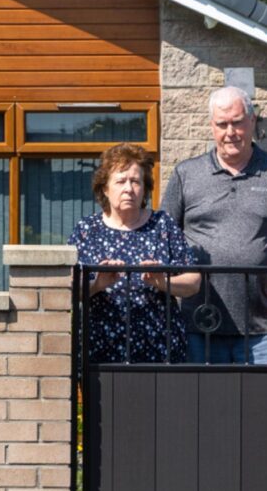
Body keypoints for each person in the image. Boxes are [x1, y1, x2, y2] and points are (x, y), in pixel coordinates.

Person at [161, 86, 267, 364]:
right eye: (222, 124)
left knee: (263, 406)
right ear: (211, 126)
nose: (230, 132)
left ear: (252, 120)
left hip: (263, 329)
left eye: (237, 122)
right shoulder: (186, 174)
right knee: (202, 406)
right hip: (197, 325)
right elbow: (163, 241)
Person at [67, 142, 203, 364]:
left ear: (145, 188)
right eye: (120, 181)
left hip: (160, 348)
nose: (128, 188)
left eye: (135, 181)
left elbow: (194, 281)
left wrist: (162, 282)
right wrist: (97, 285)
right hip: (100, 349)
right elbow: (66, 289)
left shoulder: (163, 224)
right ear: (104, 188)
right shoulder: (87, 229)